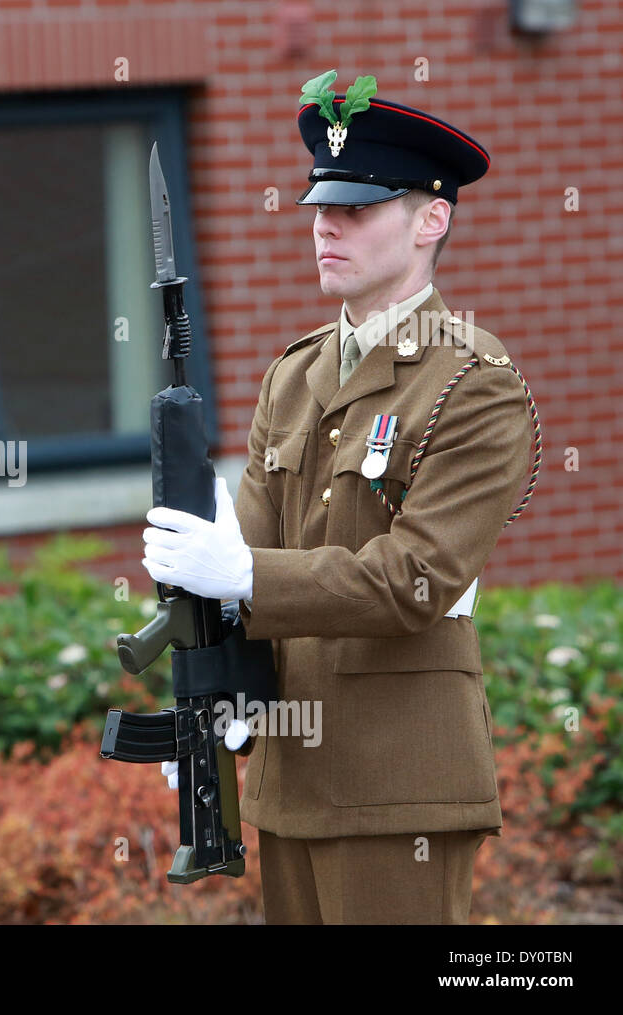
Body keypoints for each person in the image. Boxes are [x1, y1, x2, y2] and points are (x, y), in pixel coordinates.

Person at [140, 71, 538, 924]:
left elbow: (416, 578)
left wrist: (242, 573)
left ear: (430, 219)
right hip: (292, 779)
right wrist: (217, 691)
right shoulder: (295, 375)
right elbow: (242, 573)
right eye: (322, 206)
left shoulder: (474, 383)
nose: (325, 224)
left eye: (357, 208)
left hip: (401, 788)